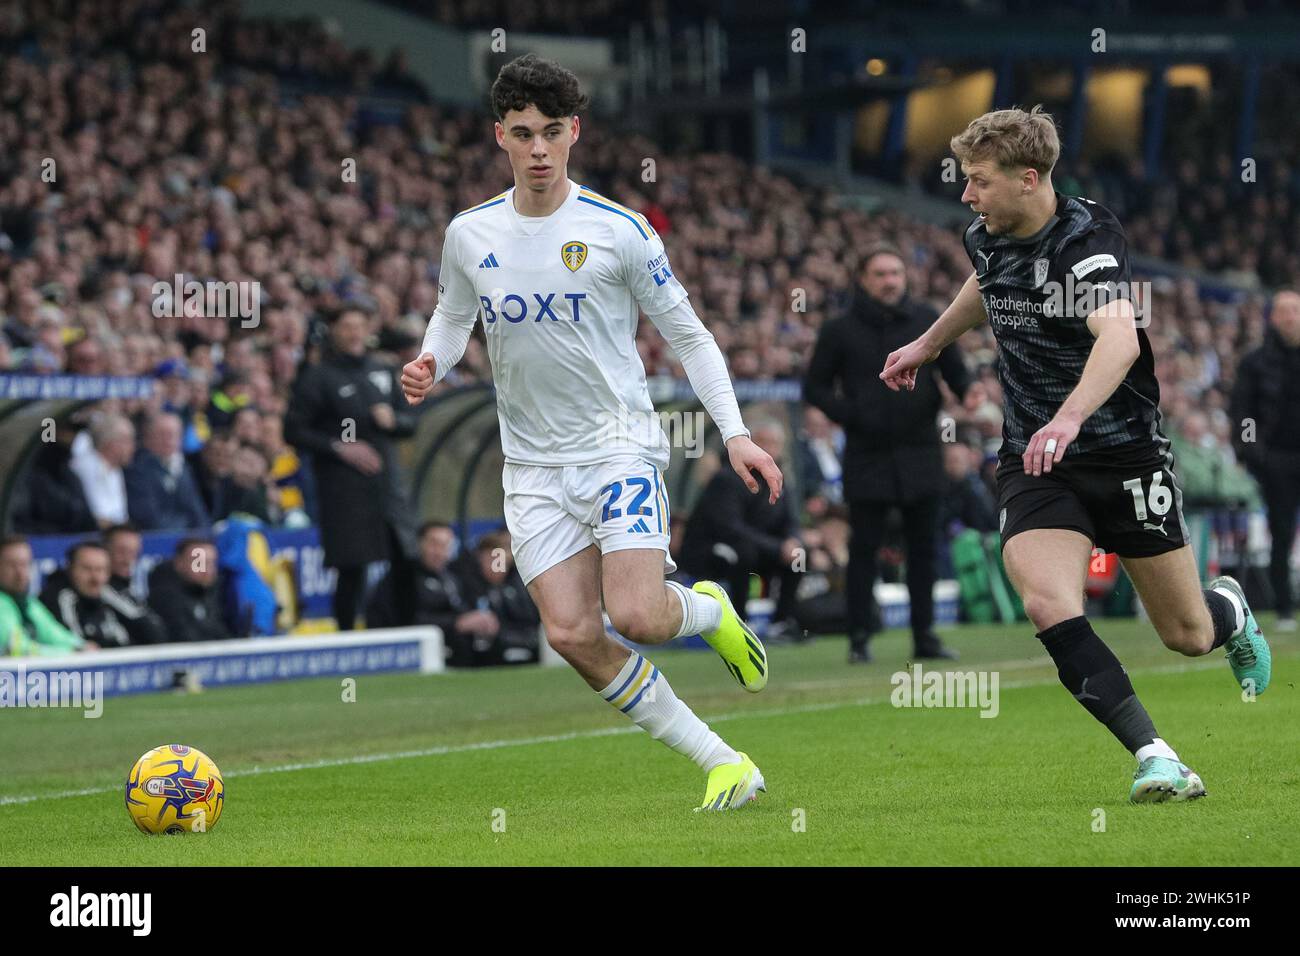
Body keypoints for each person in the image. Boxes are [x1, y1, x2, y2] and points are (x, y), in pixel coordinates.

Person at [401, 55, 782, 810]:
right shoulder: (469, 233)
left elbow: (692, 337)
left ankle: (706, 608)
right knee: (572, 634)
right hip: (532, 467)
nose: (538, 149)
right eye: (521, 134)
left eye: (551, 132)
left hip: (617, 447)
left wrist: (734, 433)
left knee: (639, 614)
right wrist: (429, 363)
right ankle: (724, 761)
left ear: (573, 132)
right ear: (499, 138)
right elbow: (452, 318)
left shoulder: (619, 231)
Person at [880, 106, 1271, 804]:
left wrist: (1068, 417)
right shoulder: (986, 233)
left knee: (1185, 633)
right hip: (1035, 455)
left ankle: (1230, 612)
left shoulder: (1086, 243)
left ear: (1029, 179)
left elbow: (1119, 339)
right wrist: (928, 344)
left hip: (1123, 456)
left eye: (978, 181)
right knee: (1046, 601)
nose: (966, 195)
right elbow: (985, 280)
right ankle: (1155, 754)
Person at [806, 244, 971, 662]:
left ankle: (925, 636)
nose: (890, 280)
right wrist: (852, 415)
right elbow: (815, 387)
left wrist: (971, 394)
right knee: (864, 550)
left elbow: (956, 372)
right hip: (867, 454)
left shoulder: (926, 320)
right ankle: (859, 637)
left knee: (924, 549)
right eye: (880, 273)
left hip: (921, 451)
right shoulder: (839, 329)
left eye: (896, 272)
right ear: (863, 278)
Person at [286, 307, 418, 630]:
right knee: (352, 567)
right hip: (344, 490)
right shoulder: (318, 377)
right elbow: (293, 430)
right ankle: (347, 640)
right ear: (334, 331)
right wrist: (339, 447)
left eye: (360, 325)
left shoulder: (384, 371)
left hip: (388, 487)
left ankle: (405, 635)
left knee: (407, 559)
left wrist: (394, 420)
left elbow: (411, 420)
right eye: (347, 326)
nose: (354, 332)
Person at [678, 420, 805, 642]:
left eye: (776, 444)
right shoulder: (728, 478)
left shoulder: (778, 479)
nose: (771, 450)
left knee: (799, 556)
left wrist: (792, 541)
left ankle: (782, 622)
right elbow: (730, 528)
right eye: (765, 443)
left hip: (757, 548)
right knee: (742, 554)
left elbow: (790, 520)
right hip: (710, 549)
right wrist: (776, 548)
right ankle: (739, 625)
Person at [1230, 289, 1300, 632]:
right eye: (1284, 311)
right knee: (1281, 534)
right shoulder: (1255, 362)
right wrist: (1251, 452)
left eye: (1295, 311)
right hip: (1277, 462)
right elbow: (1244, 413)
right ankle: (1285, 608)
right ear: (1273, 317)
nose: (1289, 317)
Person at [39, 540, 165, 647]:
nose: (95, 578)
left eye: (100, 570)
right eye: (87, 569)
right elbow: (77, 645)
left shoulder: (109, 592)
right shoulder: (60, 598)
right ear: (70, 569)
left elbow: (154, 632)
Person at [452, 530, 542, 666]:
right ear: (480, 559)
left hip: (525, 641)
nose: (495, 566)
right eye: (489, 560)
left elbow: (530, 619)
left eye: (499, 560)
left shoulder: (518, 583)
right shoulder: (468, 585)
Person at [366, 520, 467, 632]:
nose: (439, 552)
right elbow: (406, 620)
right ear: (419, 543)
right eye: (434, 544)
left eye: (445, 545)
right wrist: (455, 623)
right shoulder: (403, 577)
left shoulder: (451, 578)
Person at [0, 535, 87, 655]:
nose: (20, 573)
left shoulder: (28, 602)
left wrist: (81, 646)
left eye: (25, 564)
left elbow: (55, 634)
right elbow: (15, 648)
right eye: (12, 565)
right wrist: (69, 652)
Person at [125, 412, 211, 531]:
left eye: (175, 434)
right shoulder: (135, 468)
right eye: (163, 434)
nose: (169, 440)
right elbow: (148, 517)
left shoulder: (184, 467)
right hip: (156, 540)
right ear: (147, 437)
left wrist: (202, 535)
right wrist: (186, 529)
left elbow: (197, 511)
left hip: (189, 538)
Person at [147, 538, 231, 643]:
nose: (206, 570)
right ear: (179, 563)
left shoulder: (213, 594)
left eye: (211, 563)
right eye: (198, 563)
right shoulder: (165, 598)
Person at [69, 413, 135, 528]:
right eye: (127, 440)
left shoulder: (116, 470)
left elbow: (120, 516)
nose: (133, 447)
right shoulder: (86, 466)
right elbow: (99, 517)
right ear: (109, 442)